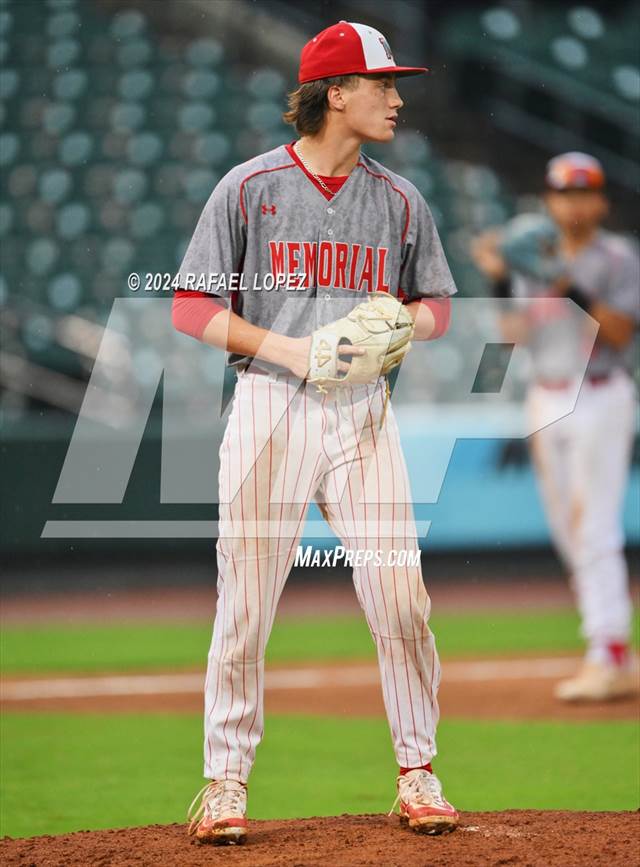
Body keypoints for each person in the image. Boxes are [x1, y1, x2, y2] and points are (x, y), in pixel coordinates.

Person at [173, 21, 458, 844]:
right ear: (336, 94)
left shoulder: (399, 199)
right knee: (247, 609)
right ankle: (224, 783)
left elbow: (437, 301)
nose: (397, 99)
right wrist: (286, 346)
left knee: (400, 592)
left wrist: (405, 328)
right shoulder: (249, 187)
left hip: (364, 412)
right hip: (270, 403)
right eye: (383, 84)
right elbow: (191, 304)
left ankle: (418, 770)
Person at [472, 152, 639, 702]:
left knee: (593, 525)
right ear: (549, 199)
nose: (573, 201)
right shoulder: (529, 255)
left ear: (601, 200)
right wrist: (500, 278)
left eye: (583, 191)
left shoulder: (616, 256)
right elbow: (508, 342)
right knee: (570, 533)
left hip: (599, 392)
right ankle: (610, 644)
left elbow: (617, 334)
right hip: (545, 396)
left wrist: (565, 281)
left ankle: (607, 651)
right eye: (563, 192)